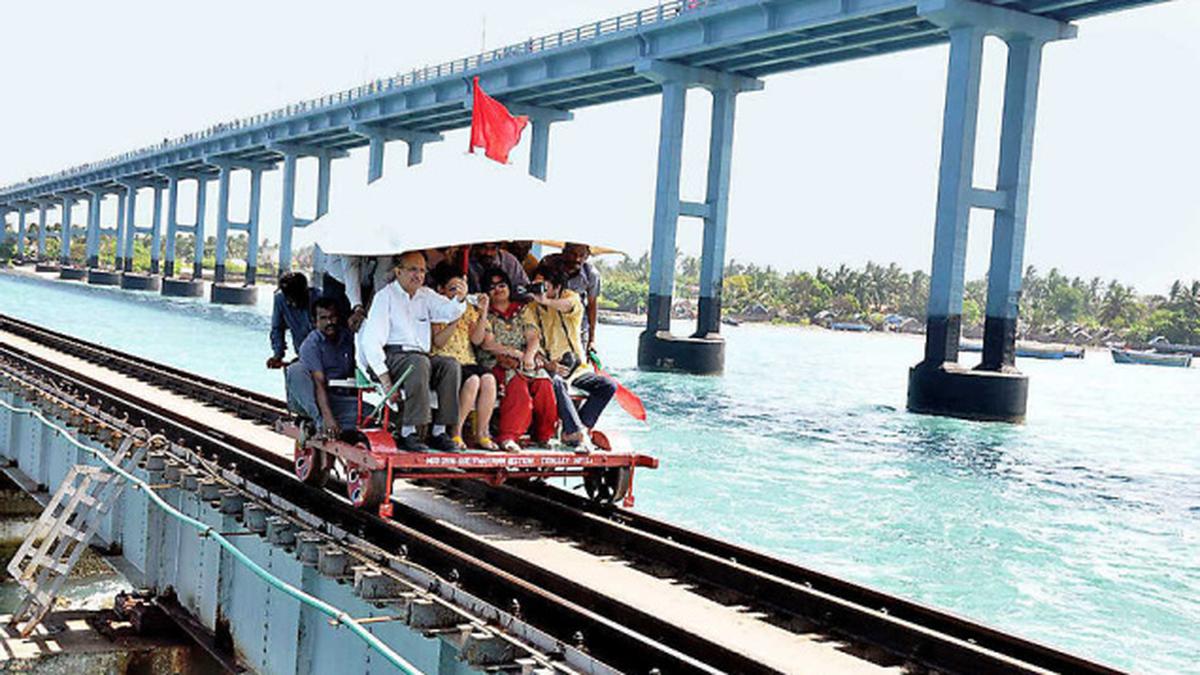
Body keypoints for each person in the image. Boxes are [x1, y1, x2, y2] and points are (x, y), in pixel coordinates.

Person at [360, 251, 467, 451]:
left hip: (419, 359)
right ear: (398, 271)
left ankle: (439, 431)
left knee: (450, 365)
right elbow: (371, 342)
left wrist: (460, 299)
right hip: (392, 357)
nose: (418, 275)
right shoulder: (385, 297)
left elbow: (449, 311)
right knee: (418, 362)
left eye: (422, 271)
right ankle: (408, 431)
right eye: (412, 270)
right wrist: (385, 381)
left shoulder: (425, 295)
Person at [527, 262, 616, 450]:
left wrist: (546, 301)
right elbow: (532, 338)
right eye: (535, 285)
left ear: (557, 286)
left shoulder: (571, 297)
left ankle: (579, 428)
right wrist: (547, 364)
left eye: (544, 286)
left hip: (576, 369)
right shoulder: (531, 308)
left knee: (607, 386)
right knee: (556, 381)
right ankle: (574, 431)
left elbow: (568, 306)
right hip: (548, 367)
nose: (538, 290)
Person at [479, 268, 556, 452]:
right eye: (492, 287)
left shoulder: (522, 311)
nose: (498, 290)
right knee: (516, 384)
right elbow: (488, 344)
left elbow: (533, 337)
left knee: (544, 382)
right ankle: (508, 436)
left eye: (502, 285)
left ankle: (544, 435)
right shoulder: (485, 314)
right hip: (496, 362)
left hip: (525, 360)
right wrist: (515, 353)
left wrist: (529, 356)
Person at [430, 262, 498, 450]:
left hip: (467, 359)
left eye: (461, 288)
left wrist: (483, 312)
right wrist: (455, 313)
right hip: (445, 360)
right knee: (473, 381)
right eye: (452, 289)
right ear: (441, 289)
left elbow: (477, 340)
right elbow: (438, 342)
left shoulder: (468, 307)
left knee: (489, 380)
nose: (457, 293)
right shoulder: (436, 306)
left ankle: (482, 433)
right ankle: (456, 432)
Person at [288, 298, 359, 436]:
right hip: (316, 398)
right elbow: (318, 383)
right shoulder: (311, 345)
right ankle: (319, 422)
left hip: (339, 398)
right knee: (295, 369)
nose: (329, 322)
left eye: (332, 317)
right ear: (315, 322)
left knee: (374, 416)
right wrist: (327, 418)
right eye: (324, 318)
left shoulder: (347, 338)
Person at [550, 243, 602, 354]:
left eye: (582, 255)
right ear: (564, 253)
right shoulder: (550, 264)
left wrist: (592, 340)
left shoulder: (591, 274)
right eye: (573, 254)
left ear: (587, 256)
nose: (577, 259)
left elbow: (592, 305)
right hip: (550, 323)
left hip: (577, 327)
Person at [322, 254, 393, 331]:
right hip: (337, 283)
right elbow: (351, 267)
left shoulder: (386, 247)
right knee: (337, 326)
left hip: (365, 284)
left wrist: (372, 305)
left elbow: (381, 276)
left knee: (363, 326)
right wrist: (357, 307)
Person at [267, 271, 319, 370]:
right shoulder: (280, 299)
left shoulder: (318, 297)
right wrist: (278, 354)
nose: (292, 303)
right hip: (301, 353)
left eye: (295, 298)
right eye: (288, 297)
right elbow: (277, 328)